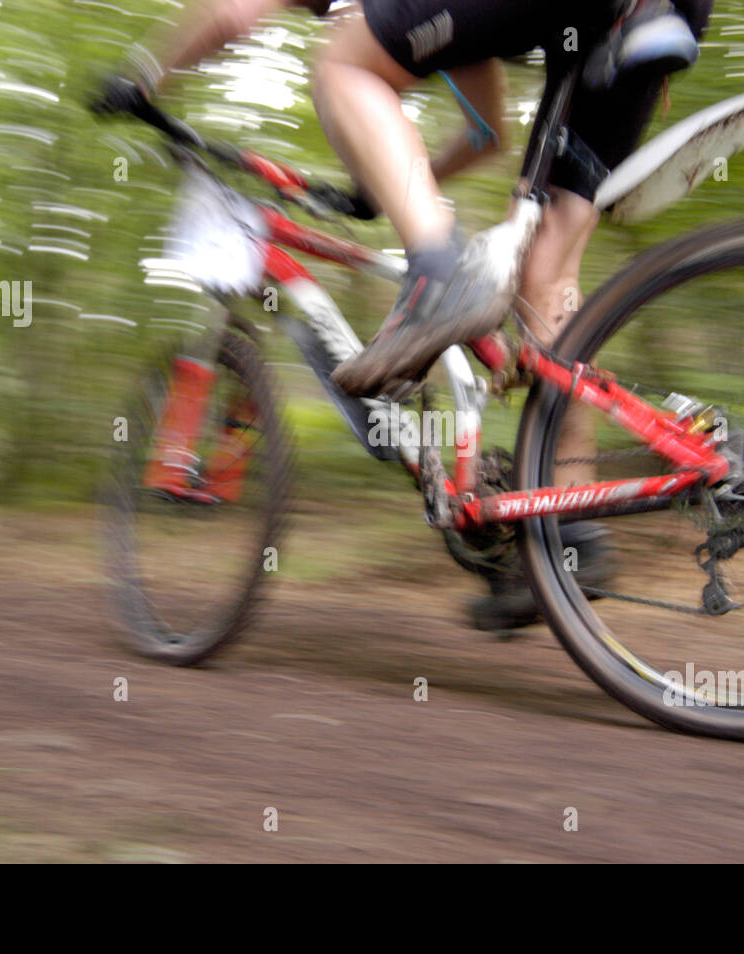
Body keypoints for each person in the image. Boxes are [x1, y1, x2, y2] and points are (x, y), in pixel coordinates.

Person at [97, 0, 712, 628]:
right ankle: (571, 534)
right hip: (642, 24)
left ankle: (434, 277)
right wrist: (379, 183)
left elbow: (230, 15)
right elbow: (484, 130)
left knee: (344, 65)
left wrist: (142, 76)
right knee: (544, 271)